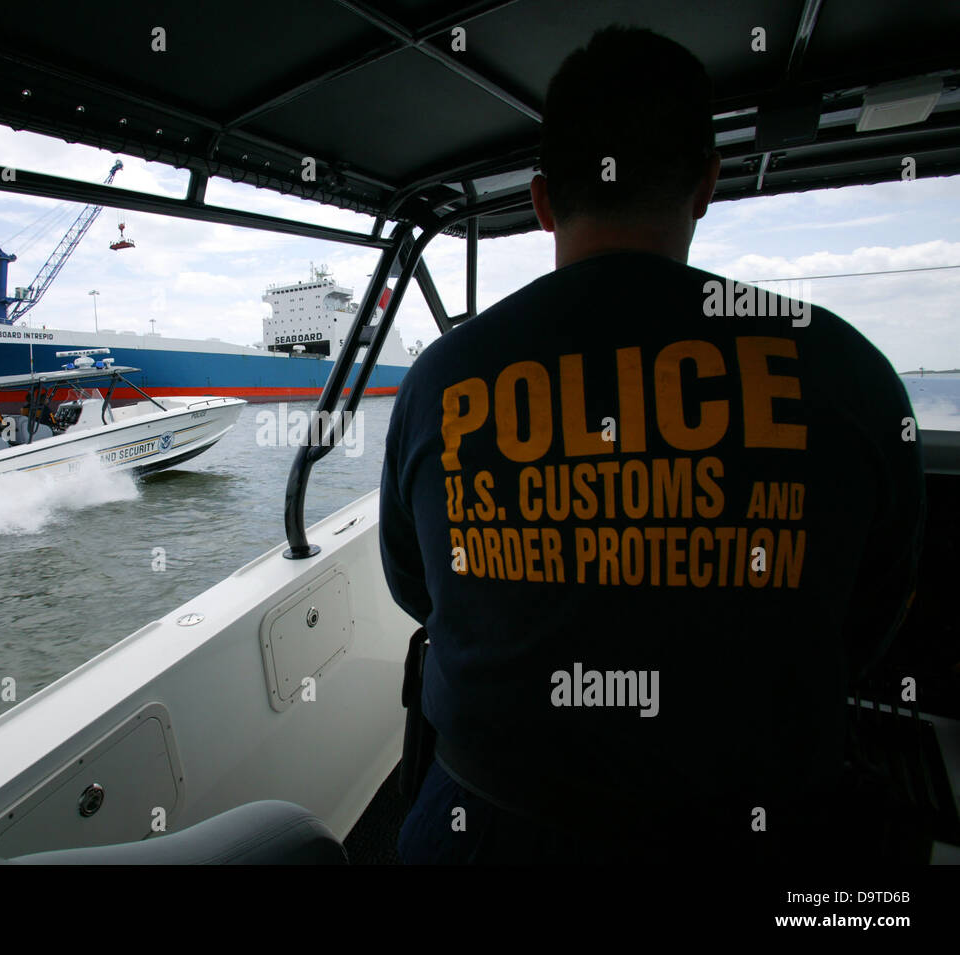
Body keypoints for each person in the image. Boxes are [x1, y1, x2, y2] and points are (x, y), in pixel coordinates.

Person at [379, 25, 925, 864]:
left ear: (542, 200)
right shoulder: (848, 370)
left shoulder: (440, 380)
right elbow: (866, 615)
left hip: (478, 826)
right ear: (707, 182)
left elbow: (420, 589)